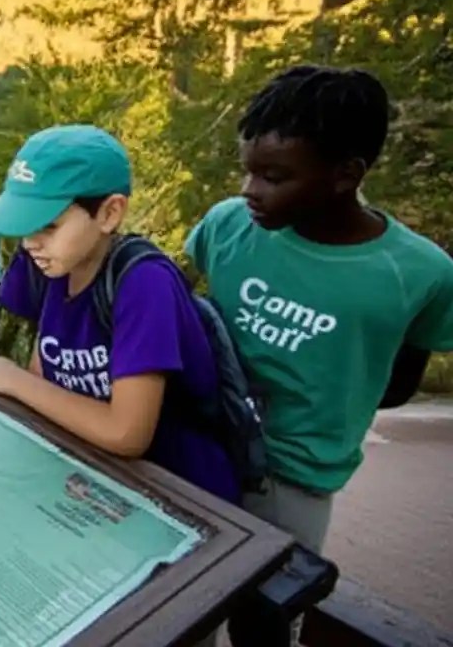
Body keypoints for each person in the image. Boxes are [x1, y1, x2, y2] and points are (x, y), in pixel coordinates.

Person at [185, 65, 453, 646]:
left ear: (345, 174)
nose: (249, 190)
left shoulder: (418, 273)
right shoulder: (228, 227)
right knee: (188, 606)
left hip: (297, 479)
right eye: (248, 170)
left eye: (274, 176)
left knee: (271, 617)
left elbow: (400, 382)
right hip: (205, 450)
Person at [0, 125, 242, 504]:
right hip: (95, 479)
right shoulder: (49, 265)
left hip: (181, 496)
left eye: (49, 225)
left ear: (110, 213)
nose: (30, 243)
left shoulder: (144, 284)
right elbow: (45, 368)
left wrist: (14, 382)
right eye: (23, 226)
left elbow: (126, 432)